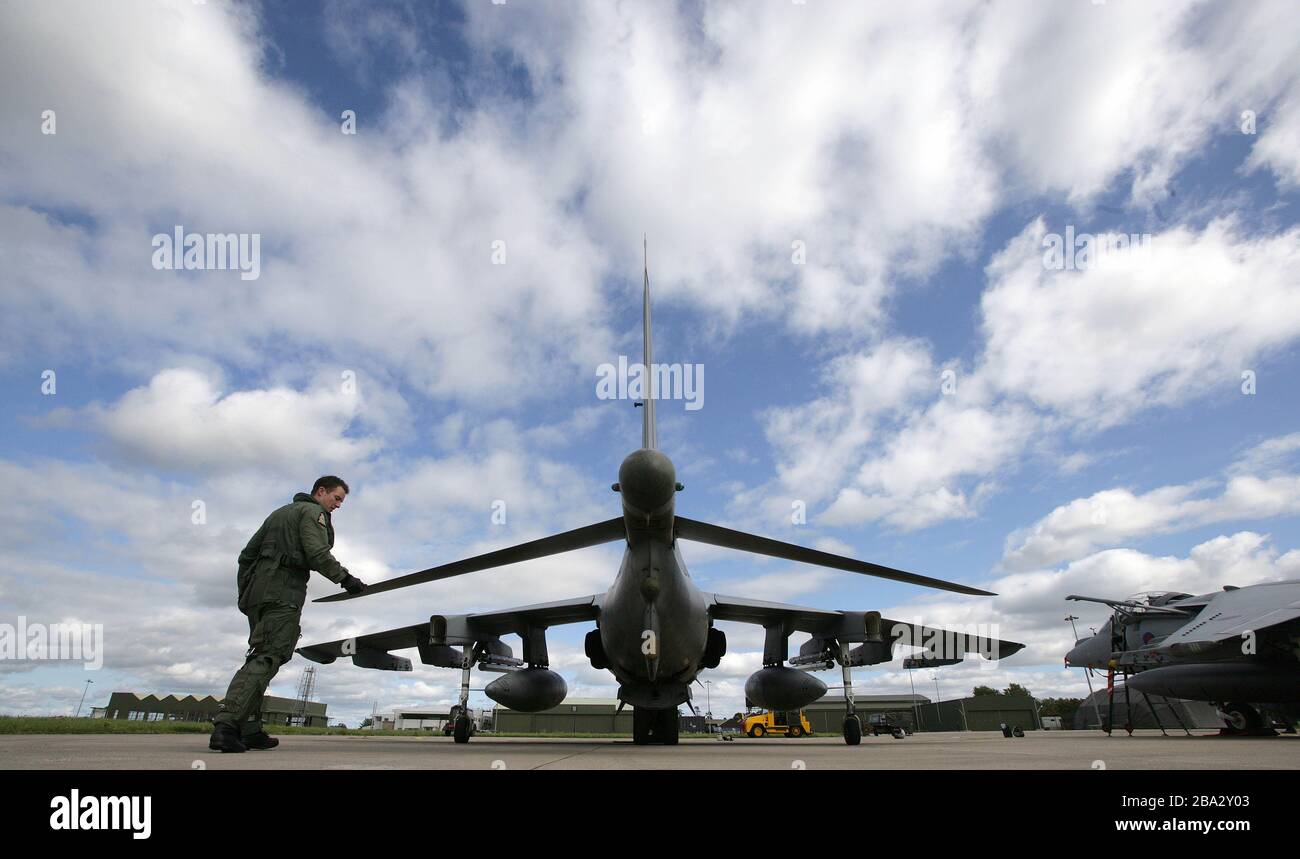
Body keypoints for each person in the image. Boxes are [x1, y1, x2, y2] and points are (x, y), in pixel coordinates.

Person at [209, 476, 367, 752]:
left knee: (261, 655)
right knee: (268, 656)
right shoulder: (313, 512)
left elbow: (246, 556)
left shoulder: (279, 513)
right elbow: (317, 553)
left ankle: (249, 729)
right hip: (283, 594)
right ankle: (227, 726)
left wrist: (247, 591)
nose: (338, 505)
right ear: (321, 492)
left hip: (257, 595)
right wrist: (346, 579)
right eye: (337, 498)